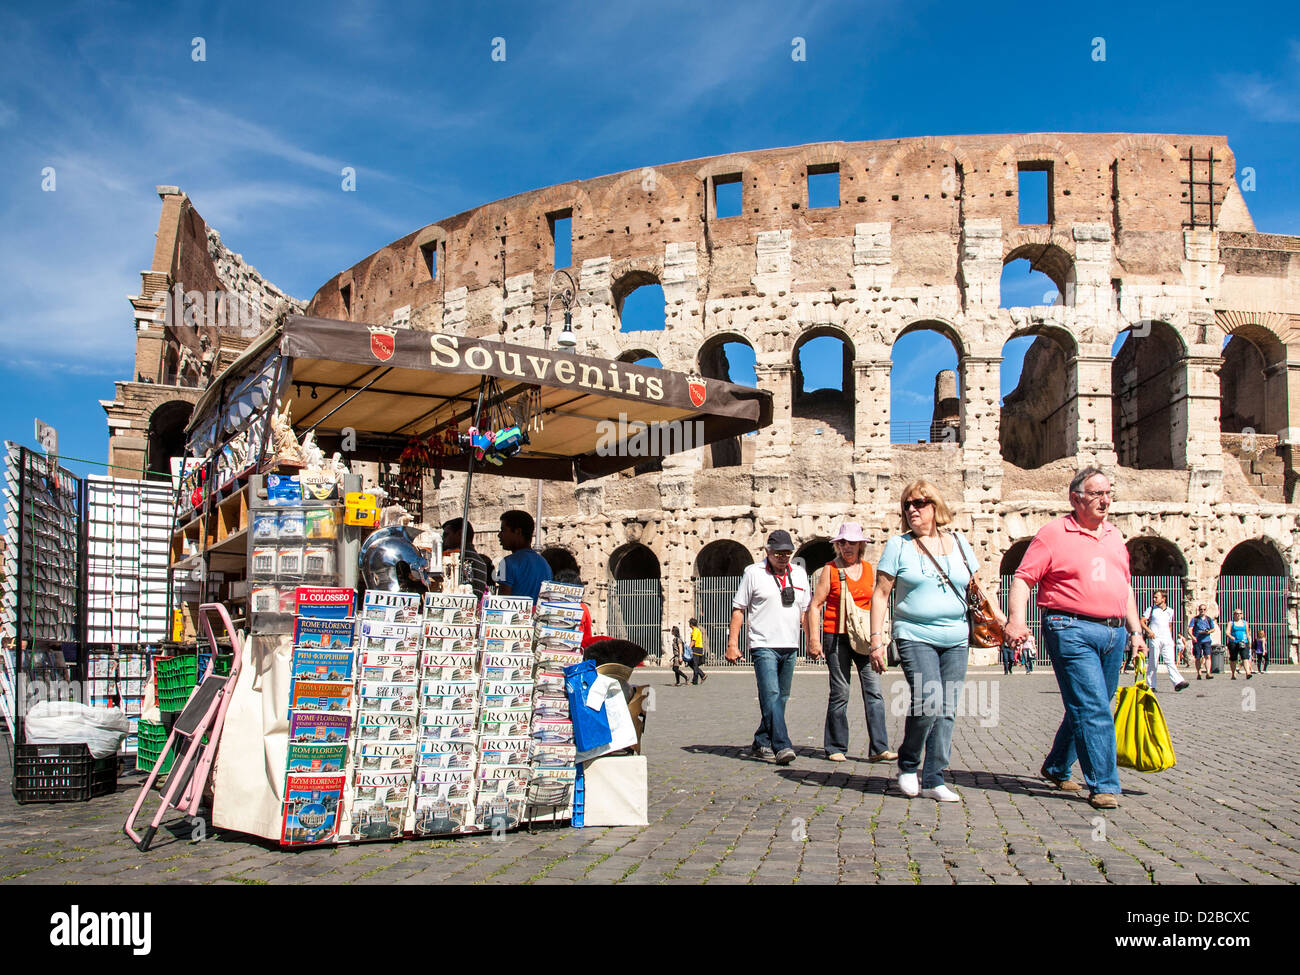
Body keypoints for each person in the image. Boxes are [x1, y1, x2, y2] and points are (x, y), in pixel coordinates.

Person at [1006, 467, 1148, 811]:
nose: (1105, 500)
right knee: (1093, 705)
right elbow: (1024, 579)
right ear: (1075, 498)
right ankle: (1104, 783)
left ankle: (1056, 765)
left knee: (1092, 702)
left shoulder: (1114, 535)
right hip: (1069, 627)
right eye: (1096, 494)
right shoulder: (1053, 534)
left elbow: (1124, 586)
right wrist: (1015, 620)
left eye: (1108, 493)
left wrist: (1136, 631)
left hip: (1114, 631)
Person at [871, 479, 1001, 802]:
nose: (912, 509)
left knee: (947, 708)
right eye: (907, 505)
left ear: (935, 507)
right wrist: (877, 640)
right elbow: (880, 594)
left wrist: (1006, 623)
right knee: (928, 700)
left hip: (956, 637)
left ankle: (934, 778)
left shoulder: (958, 543)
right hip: (914, 634)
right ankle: (908, 763)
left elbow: (977, 589)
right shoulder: (898, 546)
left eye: (919, 503)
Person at [805, 522, 894, 763]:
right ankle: (835, 746)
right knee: (840, 692)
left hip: (864, 637)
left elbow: (879, 603)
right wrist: (814, 639)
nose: (847, 547)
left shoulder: (869, 569)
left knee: (874, 691)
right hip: (836, 636)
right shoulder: (830, 570)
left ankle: (879, 747)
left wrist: (880, 638)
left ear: (861, 545)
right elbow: (815, 605)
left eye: (852, 542)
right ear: (837, 546)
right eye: (843, 542)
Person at [726, 530, 810, 766]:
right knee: (771, 694)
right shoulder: (753, 573)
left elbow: (806, 611)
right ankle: (781, 746)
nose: (783, 557)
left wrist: (812, 640)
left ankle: (762, 739)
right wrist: (733, 644)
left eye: (787, 553)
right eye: (778, 553)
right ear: (767, 552)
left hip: (790, 644)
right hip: (763, 645)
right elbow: (739, 608)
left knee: (781, 697)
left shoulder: (800, 575)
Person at [495, 510, 552, 603]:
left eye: (503, 530)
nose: (499, 535)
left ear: (517, 532)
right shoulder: (545, 564)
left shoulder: (506, 563)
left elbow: (502, 603)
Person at [1139, 589, 1189, 692]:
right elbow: (1142, 621)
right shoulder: (1151, 609)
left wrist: (1170, 637)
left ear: (1163, 598)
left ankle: (1178, 682)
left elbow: (1169, 625)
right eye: (1154, 597)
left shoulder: (1170, 611)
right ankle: (1151, 685)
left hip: (1166, 638)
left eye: (1157, 597)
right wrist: (1149, 631)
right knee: (1153, 662)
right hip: (1155, 638)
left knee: (1170, 661)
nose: (1154, 599)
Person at [441, 517, 492, 599]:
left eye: (446, 535)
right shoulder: (481, 561)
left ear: (460, 534)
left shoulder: (459, 557)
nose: (443, 539)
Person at [1188, 605, 1216, 680]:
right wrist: (1192, 637)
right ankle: (1199, 672)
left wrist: (1208, 631)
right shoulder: (1195, 619)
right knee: (1198, 657)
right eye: (1201, 609)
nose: (1202, 611)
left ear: (1206, 610)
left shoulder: (1209, 619)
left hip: (1206, 640)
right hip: (1197, 640)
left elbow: (1213, 629)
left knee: (1208, 656)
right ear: (1198, 610)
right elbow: (1190, 629)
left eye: (1204, 609)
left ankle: (1208, 673)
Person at [1225, 608, 1253, 680]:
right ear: (1234, 615)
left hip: (1244, 642)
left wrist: (1249, 642)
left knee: (1245, 657)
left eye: (1240, 613)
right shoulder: (1231, 623)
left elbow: (1247, 633)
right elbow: (1227, 632)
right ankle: (1233, 674)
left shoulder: (1245, 623)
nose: (1238, 615)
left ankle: (1248, 672)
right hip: (1233, 643)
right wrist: (1231, 637)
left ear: (1242, 615)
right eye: (1237, 614)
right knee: (1233, 659)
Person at [688, 618, 708, 684]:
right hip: (698, 648)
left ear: (691, 624)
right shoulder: (696, 630)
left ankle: (695, 681)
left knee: (695, 664)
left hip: (696, 648)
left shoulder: (695, 631)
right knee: (691, 664)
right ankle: (702, 675)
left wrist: (688, 649)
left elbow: (693, 641)